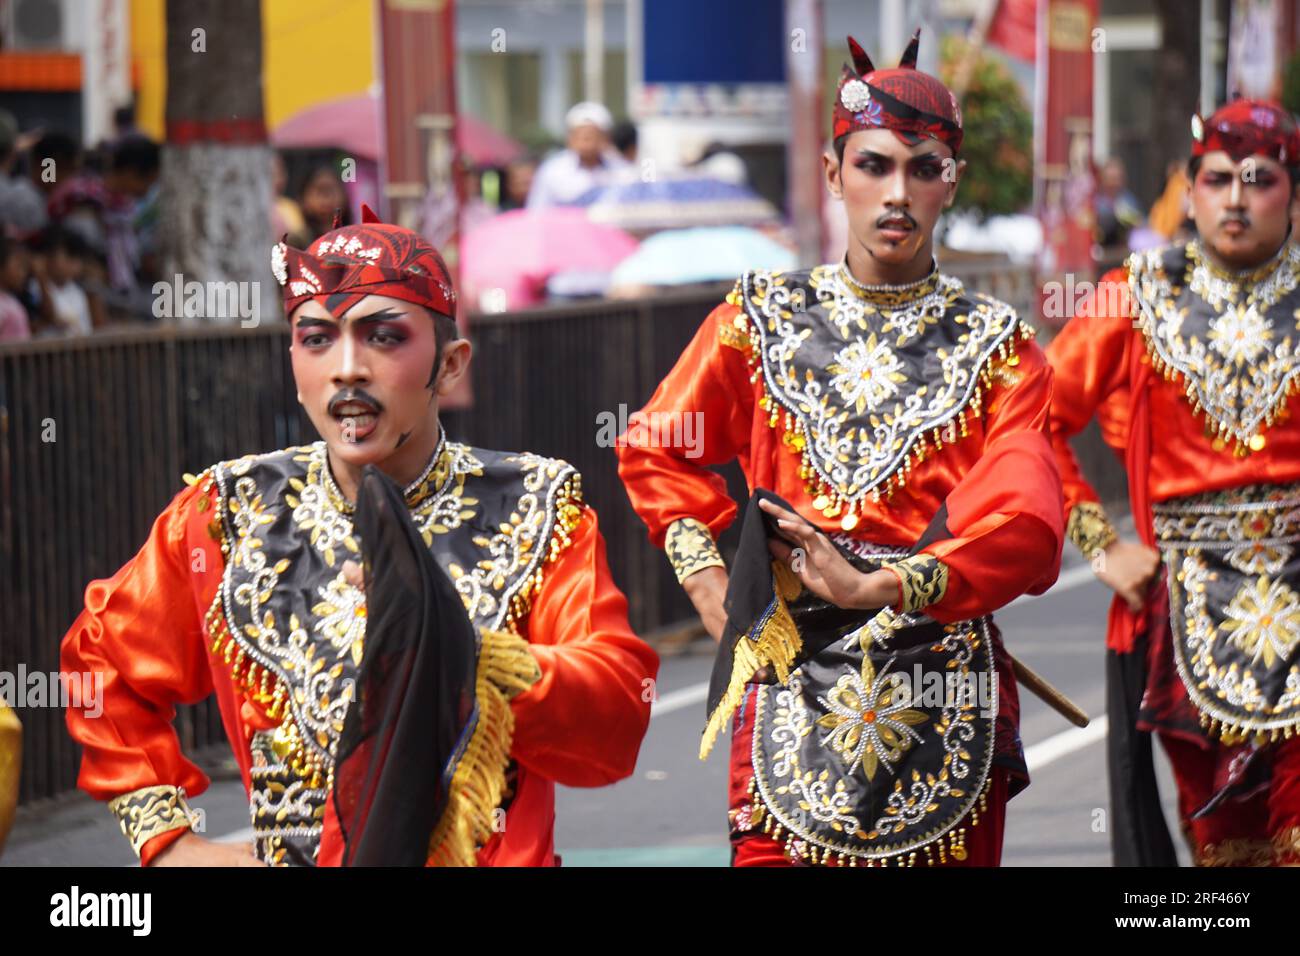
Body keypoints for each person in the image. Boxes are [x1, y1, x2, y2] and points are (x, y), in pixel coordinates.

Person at [60, 206, 658, 866]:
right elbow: (103, 660)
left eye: (384, 337)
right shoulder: (232, 512)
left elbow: (615, 717)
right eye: (317, 339)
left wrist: (468, 654)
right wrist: (169, 841)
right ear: (292, 360)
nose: (347, 368)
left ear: (450, 365)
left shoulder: (532, 506)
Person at [616, 31, 1064, 867]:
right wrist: (709, 582)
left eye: (923, 169)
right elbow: (656, 448)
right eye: (873, 166)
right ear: (833, 173)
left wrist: (883, 584)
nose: (897, 193)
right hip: (792, 675)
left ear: (952, 182)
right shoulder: (757, 322)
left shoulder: (1000, 348)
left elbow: (1027, 524)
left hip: (942, 677)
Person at [1046, 99, 1300, 867]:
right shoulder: (1136, 294)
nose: (1235, 199)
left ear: (1292, 193)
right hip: (1188, 611)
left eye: (1259, 180)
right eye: (1217, 180)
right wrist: (1101, 545)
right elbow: (1032, 417)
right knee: (1229, 851)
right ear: (1188, 193)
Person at [526, 102, 630, 208]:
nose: (586, 141)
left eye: (591, 134)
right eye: (580, 135)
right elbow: (537, 211)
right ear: (570, 138)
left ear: (606, 137)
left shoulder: (623, 171)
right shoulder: (552, 171)